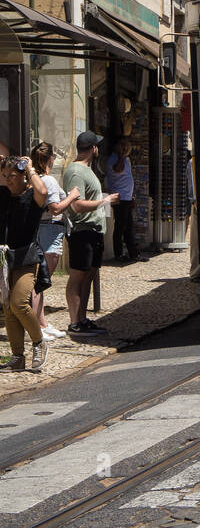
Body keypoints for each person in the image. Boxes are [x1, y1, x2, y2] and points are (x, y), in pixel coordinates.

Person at [62, 131, 118, 337]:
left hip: (94, 231)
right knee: (78, 276)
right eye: (97, 146)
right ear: (93, 149)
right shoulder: (76, 171)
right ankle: (75, 322)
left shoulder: (87, 169)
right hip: (82, 231)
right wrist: (105, 201)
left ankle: (82, 319)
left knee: (88, 276)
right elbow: (76, 205)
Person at [0, 153, 49, 371]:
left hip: (27, 258)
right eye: (5, 175)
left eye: (12, 175)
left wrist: (30, 169)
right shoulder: (3, 195)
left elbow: (43, 191)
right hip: (5, 259)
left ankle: (39, 342)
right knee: (8, 308)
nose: (9, 179)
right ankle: (17, 356)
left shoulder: (32, 197)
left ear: (23, 176)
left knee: (19, 302)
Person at [29, 142, 79, 341]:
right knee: (40, 281)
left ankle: (42, 324)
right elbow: (55, 208)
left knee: (40, 281)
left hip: (46, 230)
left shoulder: (39, 179)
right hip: (50, 230)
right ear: (51, 159)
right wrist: (73, 196)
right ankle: (36, 327)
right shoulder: (48, 180)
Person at [106, 138, 138, 263]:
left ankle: (133, 253)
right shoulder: (113, 159)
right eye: (122, 146)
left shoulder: (126, 159)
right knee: (120, 227)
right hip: (119, 198)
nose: (124, 149)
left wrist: (132, 197)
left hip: (127, 197)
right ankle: (118, 254)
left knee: (129, 226)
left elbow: (127, 179)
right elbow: (117, 170)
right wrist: (120, 156)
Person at [186, 148, 200, 282]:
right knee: (196, 239)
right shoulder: (193, 162)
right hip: (199, 203)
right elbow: (192, 184)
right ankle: (196, 271)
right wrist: (195, 201)